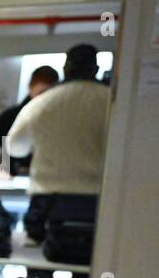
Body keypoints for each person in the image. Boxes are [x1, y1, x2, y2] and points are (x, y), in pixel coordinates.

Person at [8, 44, 111, 197]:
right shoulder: (111, 101)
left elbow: (16, 147)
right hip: (98, 197)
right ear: (95, 68)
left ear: (65, 69)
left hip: (47, 198)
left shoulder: (40, 103)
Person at [0, 64, 58, 178]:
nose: (44, 98)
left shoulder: (58, 120)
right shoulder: (10, 117)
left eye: (50, 94)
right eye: (41, 92)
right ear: (31, 87)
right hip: (13, 179)